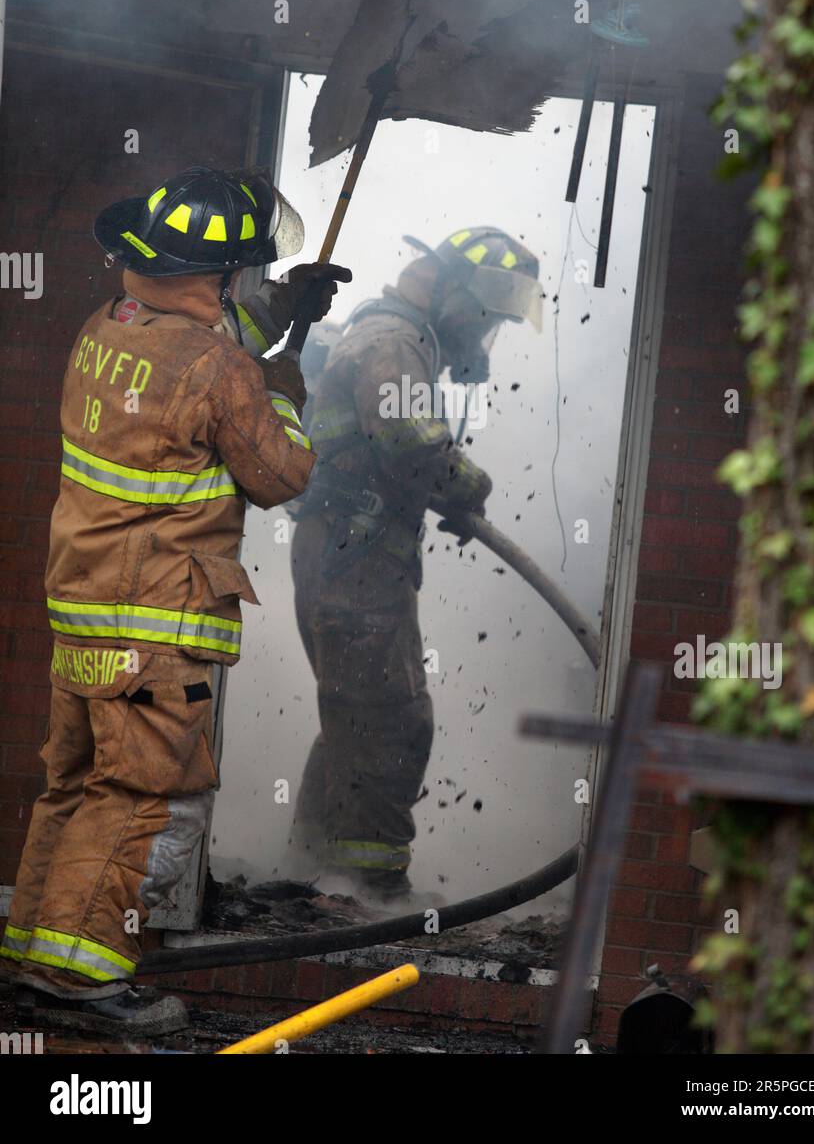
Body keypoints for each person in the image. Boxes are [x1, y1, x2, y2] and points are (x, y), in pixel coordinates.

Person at [1, 166, 349, 1034]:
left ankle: (36, 956)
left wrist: (281, 307)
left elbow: (194, 346)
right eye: (249, 277)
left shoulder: (108, 326)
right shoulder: (226, 370)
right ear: (222, 278)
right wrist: (285, 394)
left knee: (73, 786)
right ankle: (82, 980)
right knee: (135, 795)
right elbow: (279, 474)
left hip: (83, 613)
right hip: (156, 626)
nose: (251, 289)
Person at [288, 227, 543, 904]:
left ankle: (310, 869)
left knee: (353, 720)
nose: (483, 333)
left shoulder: (398, 336)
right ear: (453, 289)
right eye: (486, 314)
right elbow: (407, 438)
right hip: (357, 563)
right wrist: (465, 484)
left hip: (348, 556)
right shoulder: (393, 342)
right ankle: (369, 887)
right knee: (394, 724)